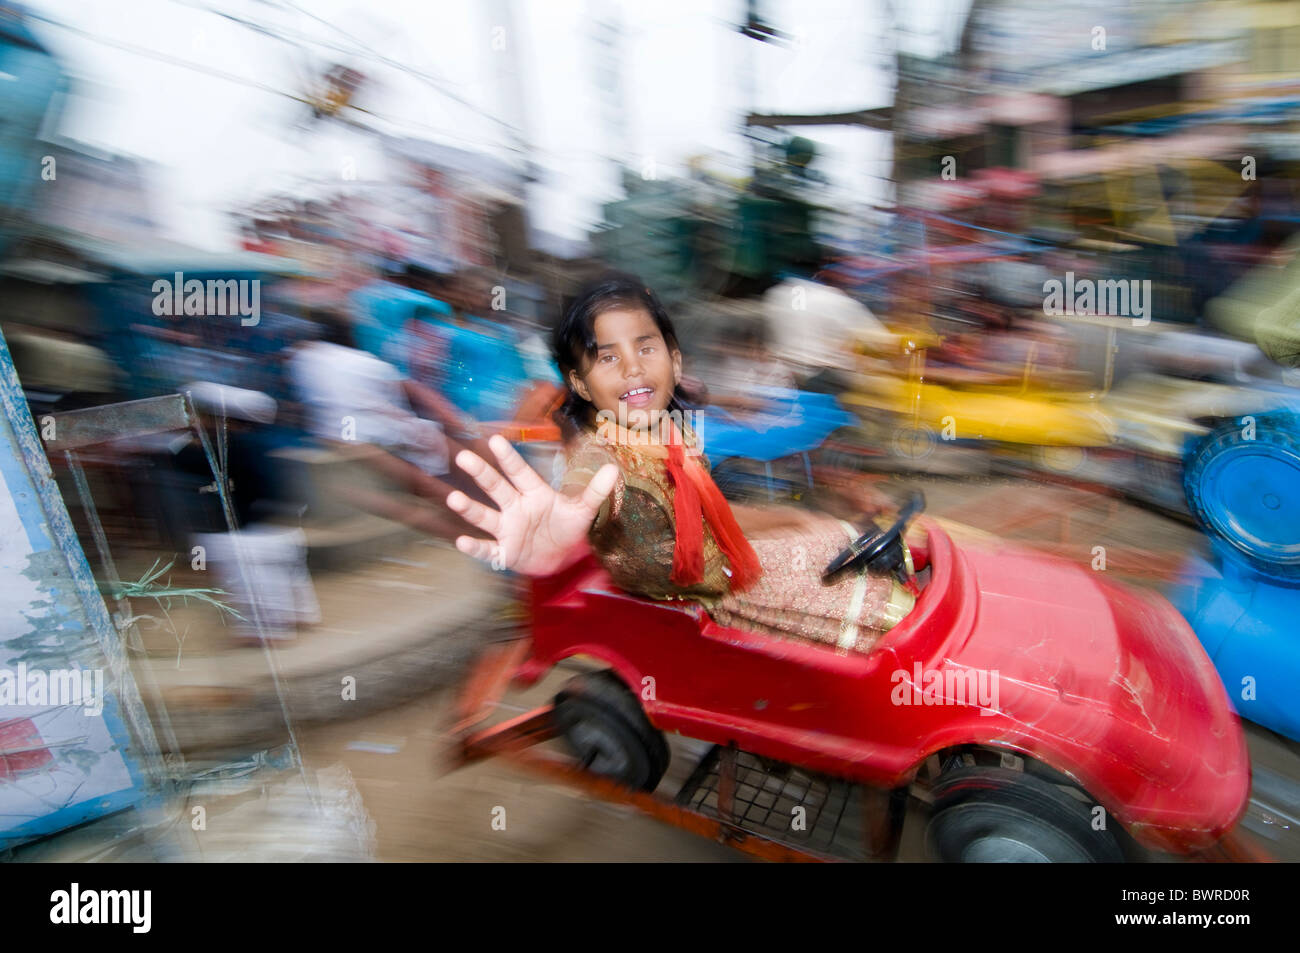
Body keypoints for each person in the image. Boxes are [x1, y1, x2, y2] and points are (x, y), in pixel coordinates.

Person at [445, 273, 915, 654]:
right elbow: (583, 498)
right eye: (608, 357)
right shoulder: (595, 455)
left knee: (848, 538)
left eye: (644, 347)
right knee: (859, 570)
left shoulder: (660, 431)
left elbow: (709, 515)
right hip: (703, 591)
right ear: (582, 381)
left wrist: (794, 517)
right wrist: (555, 527)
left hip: (718, 563)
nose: (634, 368)